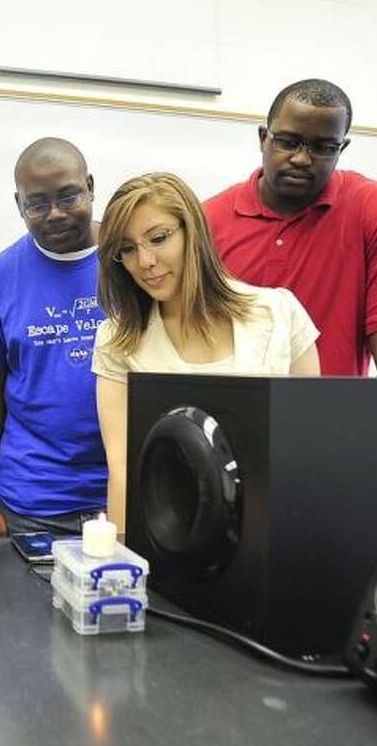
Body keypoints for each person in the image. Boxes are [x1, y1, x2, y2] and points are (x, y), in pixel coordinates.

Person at [94, 172, 321, 530]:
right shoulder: (118, 338)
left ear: (192, 232)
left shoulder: (279, 313)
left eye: (158, 238)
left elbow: (311, 448)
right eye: (127, 249)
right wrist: (124, 568)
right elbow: (122, 467)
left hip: (274, 529)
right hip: (169, 532)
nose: (145, 261)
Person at [204, 79, 377, 379]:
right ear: (263, 139)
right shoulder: (206, 221)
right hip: (231, 417)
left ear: (342, 147)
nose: (302, 158)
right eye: (287, 142)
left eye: (323, 147)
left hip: (337, 420)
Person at [0, 138, 108, 536]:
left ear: (91, 186)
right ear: (18, 205)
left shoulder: (130, 261)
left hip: (121, 498)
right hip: (29, 504)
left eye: (69, 197)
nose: (56, 214)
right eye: (37, 203)